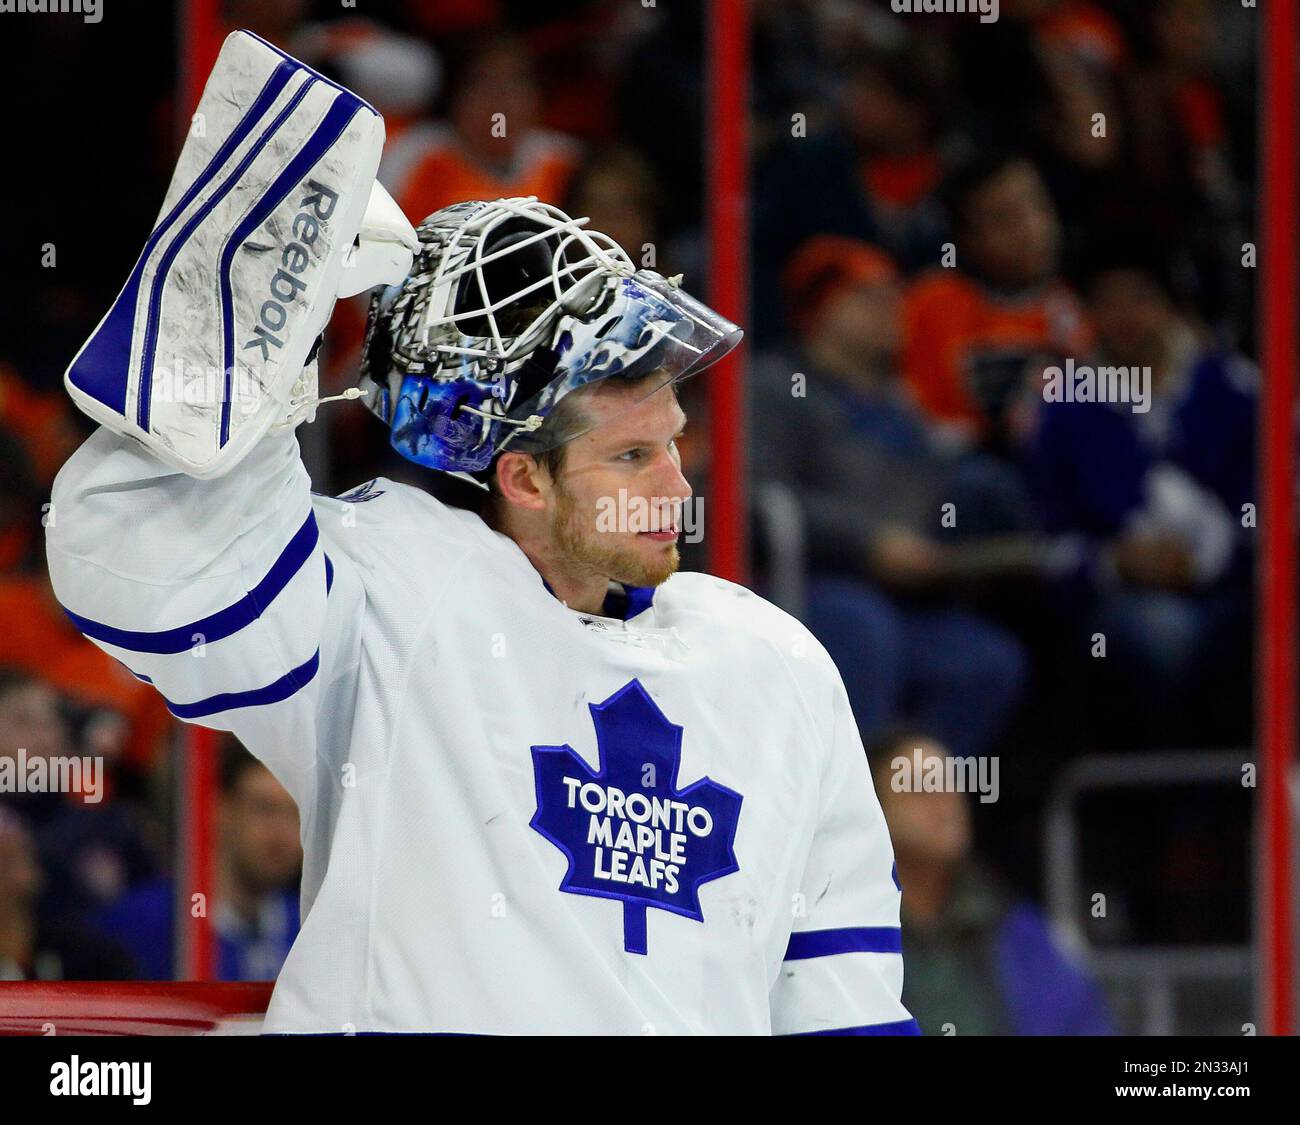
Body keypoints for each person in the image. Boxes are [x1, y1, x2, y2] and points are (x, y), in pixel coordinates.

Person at [45, 35, 915, 1036]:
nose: (677, 484)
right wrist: (242, 346)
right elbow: (147, 571)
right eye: (630, 459)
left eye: (673, 443)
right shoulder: (394, 590)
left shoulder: (779, 665)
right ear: (522, 476)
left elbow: (841, 999)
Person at [750, 236, 1027, 759]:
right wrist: (869, 543)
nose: (891, 308)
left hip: (906, 597)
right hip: (809, 584)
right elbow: (757, 494)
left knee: (987, 662)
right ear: (821, 309)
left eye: (893, 295)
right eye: (870, 296)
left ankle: (913, 815)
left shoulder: (899, 404)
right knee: (862, 629)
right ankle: (844, 819)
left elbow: (936, 494)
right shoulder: (774, 385)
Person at [867, 729, 1113, 1036]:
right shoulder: (846, 932)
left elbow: (1082, 1023)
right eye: (922, 787)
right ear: (875, 809)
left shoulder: (1018, 932)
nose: (946, 800)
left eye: (951, 782)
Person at [98, 743, 302, 981]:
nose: (282, 832)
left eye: (295, 815)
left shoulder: (311, 928)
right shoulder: (141, 923)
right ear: (219, 809)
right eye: (264, 809)